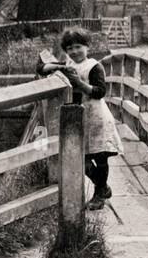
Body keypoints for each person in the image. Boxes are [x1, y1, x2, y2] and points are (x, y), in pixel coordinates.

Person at [37, 29, 123, 209]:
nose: (75, 52)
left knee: (99, 156)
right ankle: (103, 187)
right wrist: (59, 67)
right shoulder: (68, 65)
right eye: (70, 48)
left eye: (78, 47)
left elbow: (100, 92)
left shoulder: (93, 66)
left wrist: (79, 83)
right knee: (78, 158)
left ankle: (99, 194)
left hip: (96, 117)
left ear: (87, 47)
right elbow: (41, 68)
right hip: (78, 119)